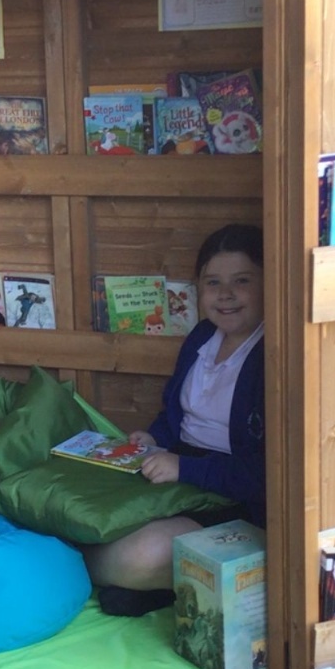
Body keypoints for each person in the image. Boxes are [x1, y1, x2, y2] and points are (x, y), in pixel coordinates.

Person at [80, 223, 266, 616]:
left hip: (233, 497)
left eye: (242, 280)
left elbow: (262, 475)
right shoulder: (201, 337)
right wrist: (152, 437)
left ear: (268, 282)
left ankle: (78, 571)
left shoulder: (271, 353)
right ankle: (152, 586)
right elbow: (175, 415)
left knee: (143, 553)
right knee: (86, 503)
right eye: (213, 282)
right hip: (176, 475)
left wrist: (184, 468)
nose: (226, 294)